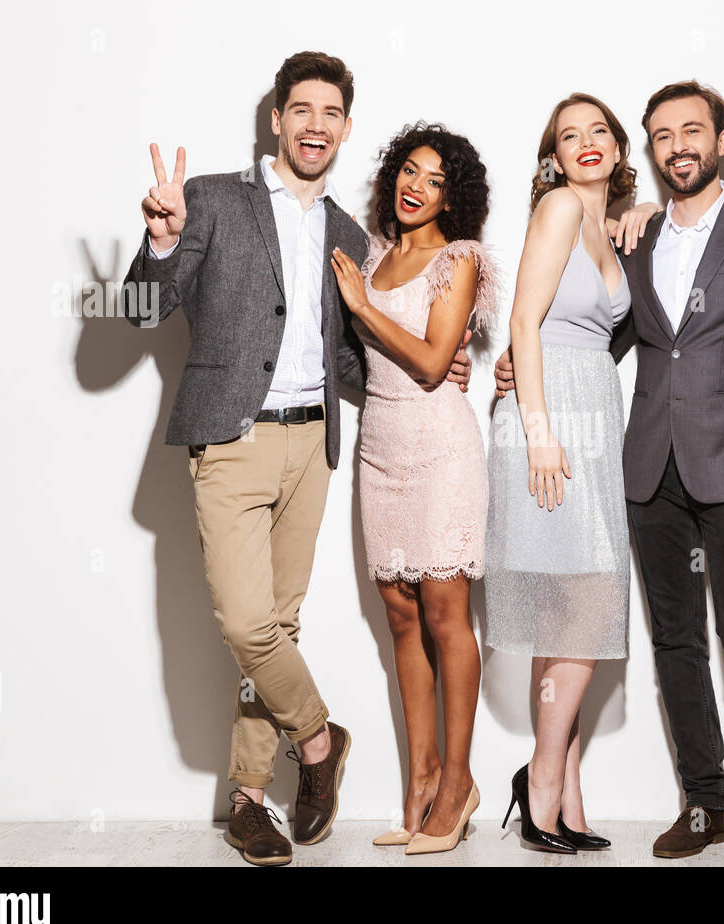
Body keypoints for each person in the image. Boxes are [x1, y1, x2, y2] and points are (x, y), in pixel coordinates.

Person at [122, 53, 470, 866]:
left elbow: (351, 359)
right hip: (231, 439)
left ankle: (248, 800)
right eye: (301, 109)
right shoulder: (209, 199)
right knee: (246, 623)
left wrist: (433, 365)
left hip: (312, 447)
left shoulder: (354, 237)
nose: (316, 124)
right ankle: (319, 742)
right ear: (276, 118)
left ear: (347, 127)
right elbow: (140, 314)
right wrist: (162, 240)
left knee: (273, 628)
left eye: (331, 113)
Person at [496, 80, 724, 865]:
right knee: (675, 642)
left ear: (720, 142)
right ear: (651, 149)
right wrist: (519, 372)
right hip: (643, 469)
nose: (679, 145)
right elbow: (596, 329)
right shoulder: (633, 236)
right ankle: (703, 804)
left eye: (693, 130)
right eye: (664, 134)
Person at [328, 122, 497, 855]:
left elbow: (433, 362)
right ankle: (420, 780)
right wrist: (360, 301)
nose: (415, 186)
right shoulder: (372, 255)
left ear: (452, 197)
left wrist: (363, 308)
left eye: (434, 179)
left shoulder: (458, 261)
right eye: (408, 170)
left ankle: (458, 785)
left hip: (441, 447)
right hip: (381, 448)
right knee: (400, 617)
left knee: (445, 612)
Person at [484, 94, 636, 855]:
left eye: (597, 132)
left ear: (615, 147)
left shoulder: (609, 228)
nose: (584, 143)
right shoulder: (555, 211)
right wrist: (540, 435)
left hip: (596, 417)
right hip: (552, 423)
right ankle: (542, 782)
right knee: (585, 599)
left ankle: (566, 788)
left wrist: (631, 223)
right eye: (567, 135)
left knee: (573, 602)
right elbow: (521, 323)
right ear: (552, 155)